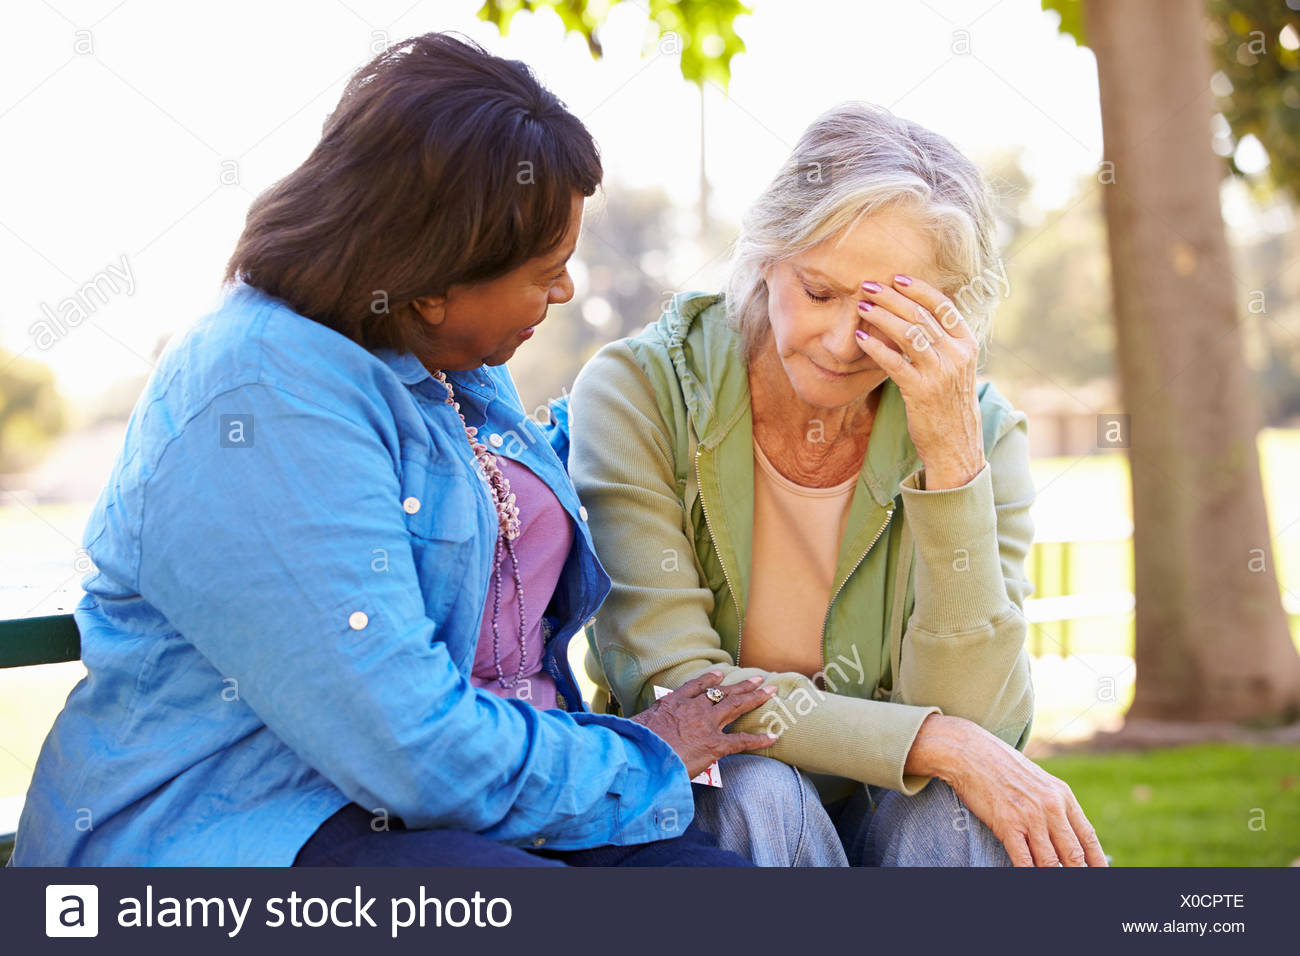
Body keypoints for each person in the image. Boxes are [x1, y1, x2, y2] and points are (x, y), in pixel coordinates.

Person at [9, 32, 775, 868]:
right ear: (432, 277)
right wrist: (637, 757)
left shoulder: (450, 372)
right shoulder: (260, 392)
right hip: (237, 830)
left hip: (448, 816)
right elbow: (410, 748)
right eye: (543, 268)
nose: (564, 290)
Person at [567, 102, 1107, 867]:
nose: (842, 342)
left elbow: (982, 723)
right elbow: (684, 693)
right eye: (819, 292)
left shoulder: (982, 431)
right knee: (760, 790)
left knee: (952, 815)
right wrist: (935, 741)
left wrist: (951, 459)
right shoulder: (640, 390)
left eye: (892, 313)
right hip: (720, 816)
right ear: (766, 257)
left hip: (900, 815)